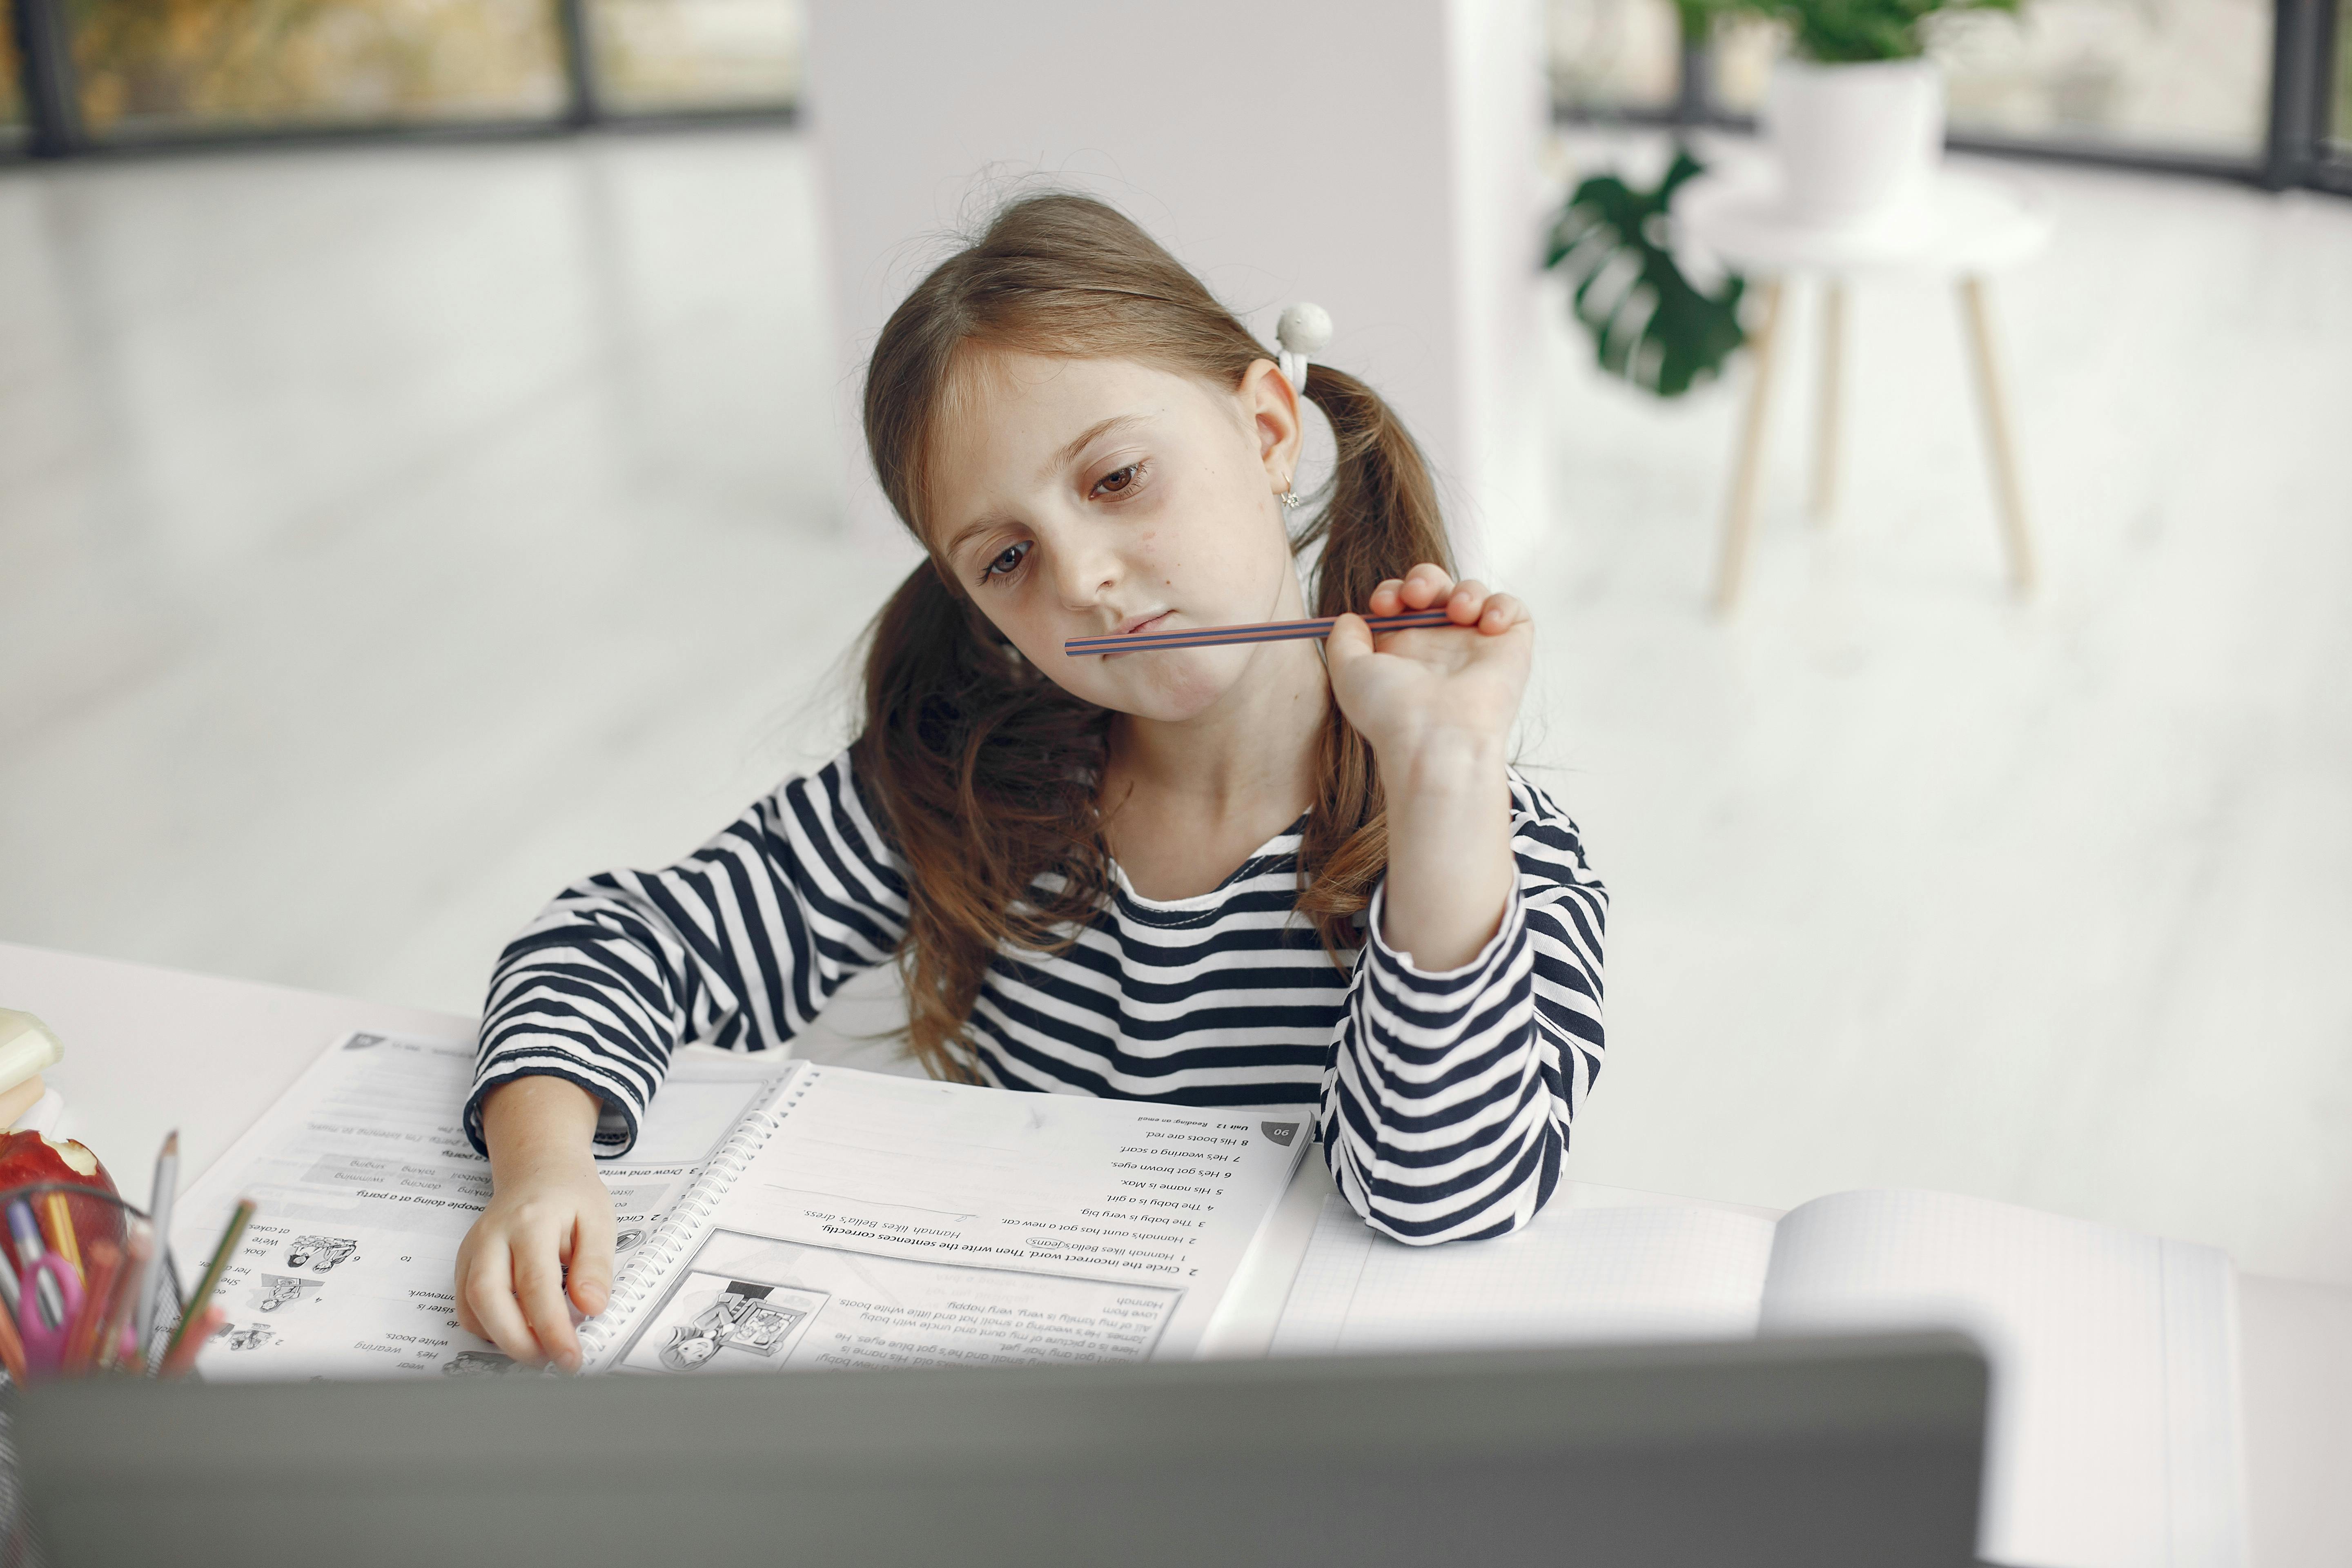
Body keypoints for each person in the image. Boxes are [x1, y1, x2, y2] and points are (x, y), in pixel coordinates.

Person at [453, 194, 1608, 1371]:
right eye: (1008, 558)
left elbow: (1440, 1195)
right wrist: (544, 1165)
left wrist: (1445, 780)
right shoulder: (973, 789)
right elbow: (618, 942)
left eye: (1117, 479)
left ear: (1268, 430)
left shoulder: (1493, 852)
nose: (1084, 580)